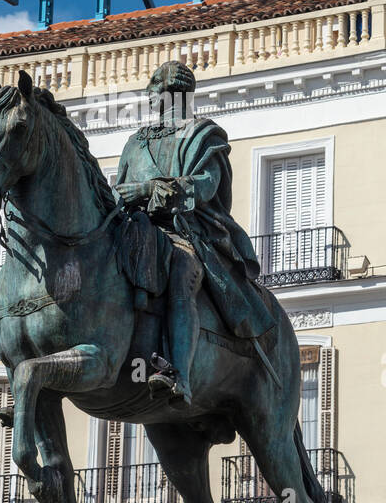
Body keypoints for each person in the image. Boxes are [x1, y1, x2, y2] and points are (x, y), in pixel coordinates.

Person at [115, 61, 274, 404]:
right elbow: (119, 190)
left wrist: (149, 190)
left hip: (184, 232)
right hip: (136, 233)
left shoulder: (203, 135)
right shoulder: (135, 143)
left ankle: (179, 375)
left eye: (155, 90)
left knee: (182, 273)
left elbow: (206, 185)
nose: (149, 96)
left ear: (176, 93)